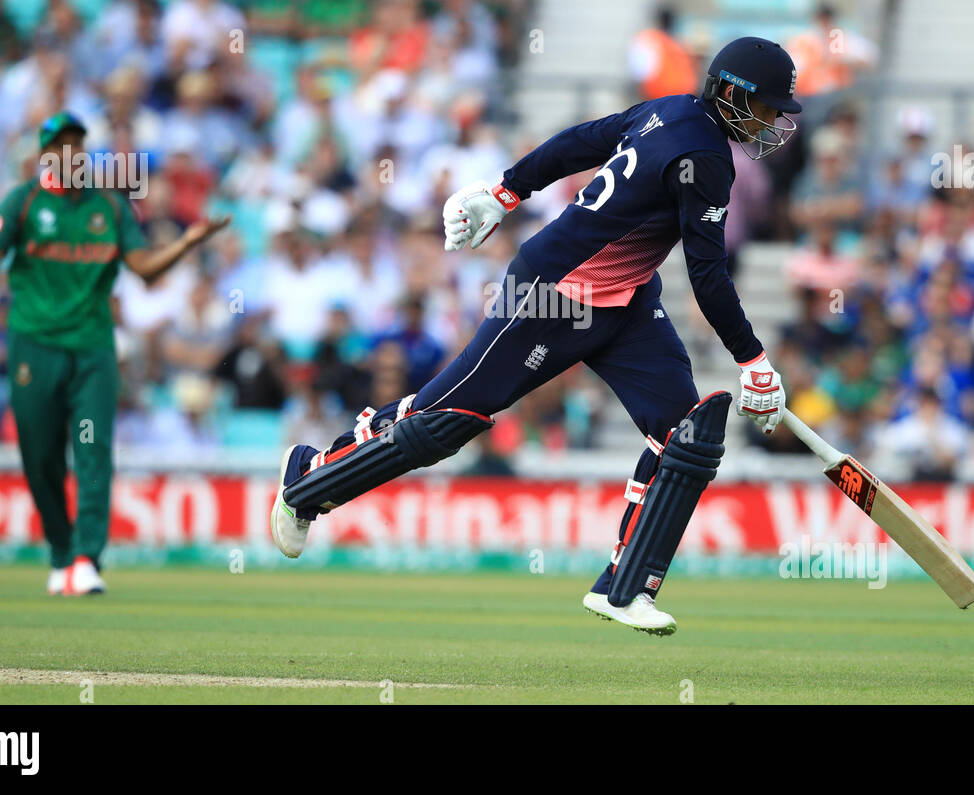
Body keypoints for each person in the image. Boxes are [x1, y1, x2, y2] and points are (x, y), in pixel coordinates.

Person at [270, 38, 800, 636]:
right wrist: (752, 359)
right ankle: (311, 477)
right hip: (552, 292)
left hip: (624, 300)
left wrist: (509, 188)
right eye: (768, 106)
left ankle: (625, 589)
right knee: (446, 417)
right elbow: (706, 271)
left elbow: (580, 141)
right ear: (730, 93)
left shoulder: (668, 110)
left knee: (686, 434)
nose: (775, 121)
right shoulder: (704, 156)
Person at [0, 112, 229, 596]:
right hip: (34, 346)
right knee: (40, 455)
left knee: (93, 452)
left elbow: (144, 270)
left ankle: (87, 557)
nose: (72, 155)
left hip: (92, 349)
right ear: (45, 155)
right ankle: (60, 551)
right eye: (61, 146)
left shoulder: (108, 207)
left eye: (78, 145)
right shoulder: (23, 202)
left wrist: (186, 243)